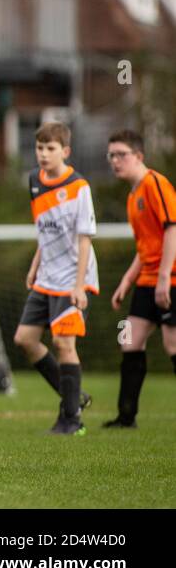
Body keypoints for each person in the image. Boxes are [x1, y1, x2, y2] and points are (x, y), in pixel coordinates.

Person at [10, 122, 96, 435]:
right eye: (39, 148)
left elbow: (84, 239)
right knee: (24, 339)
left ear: (65, 151)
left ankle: (71, 420)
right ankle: (75, 398)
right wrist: (35, 265)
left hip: (73, 278)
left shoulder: (78, 187)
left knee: (63, 343)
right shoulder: (34, 180)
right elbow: (45, 232)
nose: (44, 154)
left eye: (51, 148)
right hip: (46, 275)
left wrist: (78, 285)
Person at [104, 129, 176, 428]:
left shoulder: (154, 184)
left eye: (122, 154)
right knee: (130, 342)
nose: (115, 161)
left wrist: (163, 278)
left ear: (139, 156)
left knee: (172, 346)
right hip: (147, 282)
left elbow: (172, 228)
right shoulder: (133, 197)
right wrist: (126, 281)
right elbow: (145, 247)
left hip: (169, 281)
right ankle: (126, 416)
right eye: (111, 155)